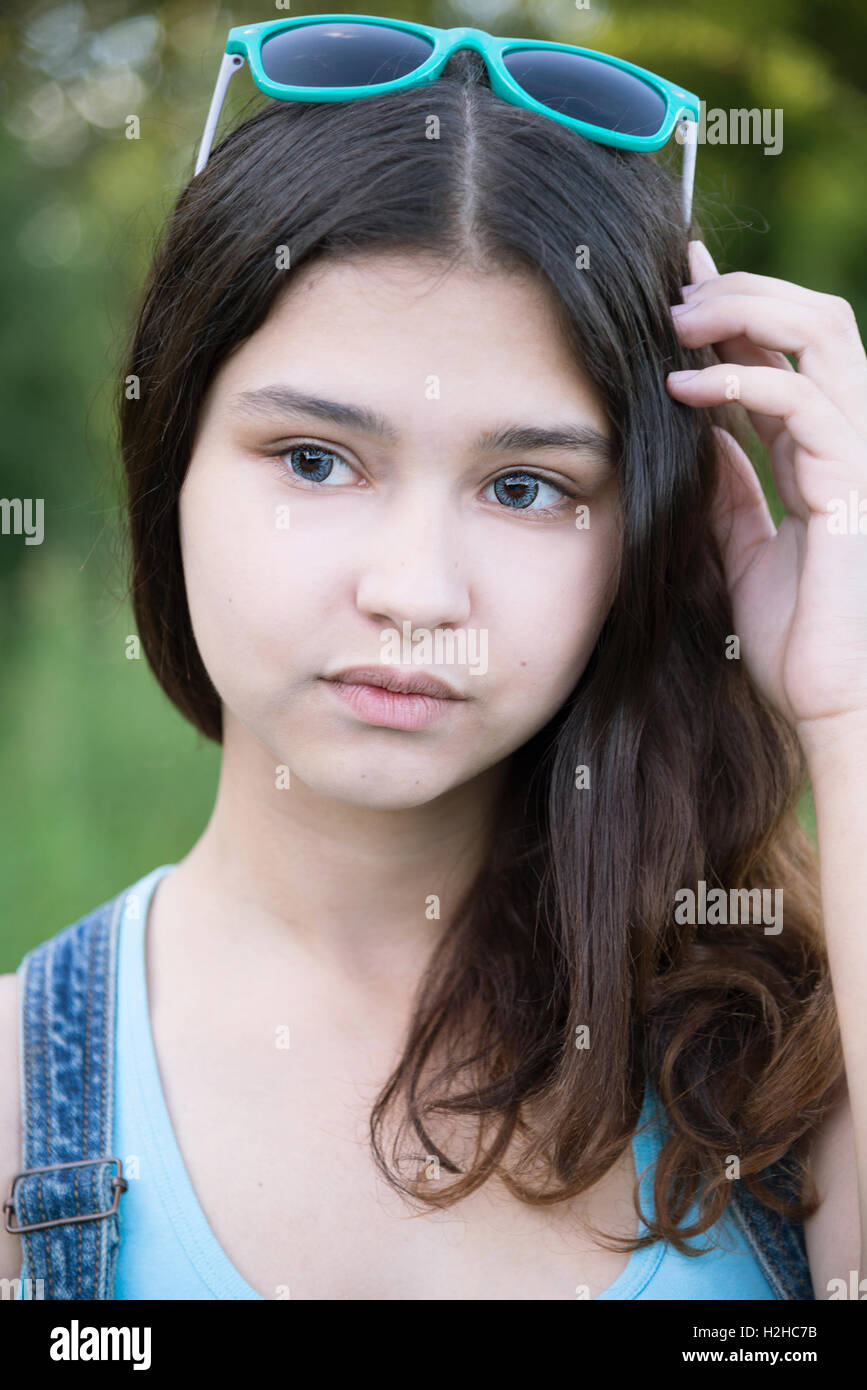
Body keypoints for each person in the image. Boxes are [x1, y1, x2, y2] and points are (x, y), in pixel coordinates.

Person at [0, 22, 862, 1302]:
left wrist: (847, 713)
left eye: (525, 486)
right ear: (168, 458)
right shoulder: (20, 1103)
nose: (413, 590)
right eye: (313, 460)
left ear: (650, 527)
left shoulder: (798, 1068)